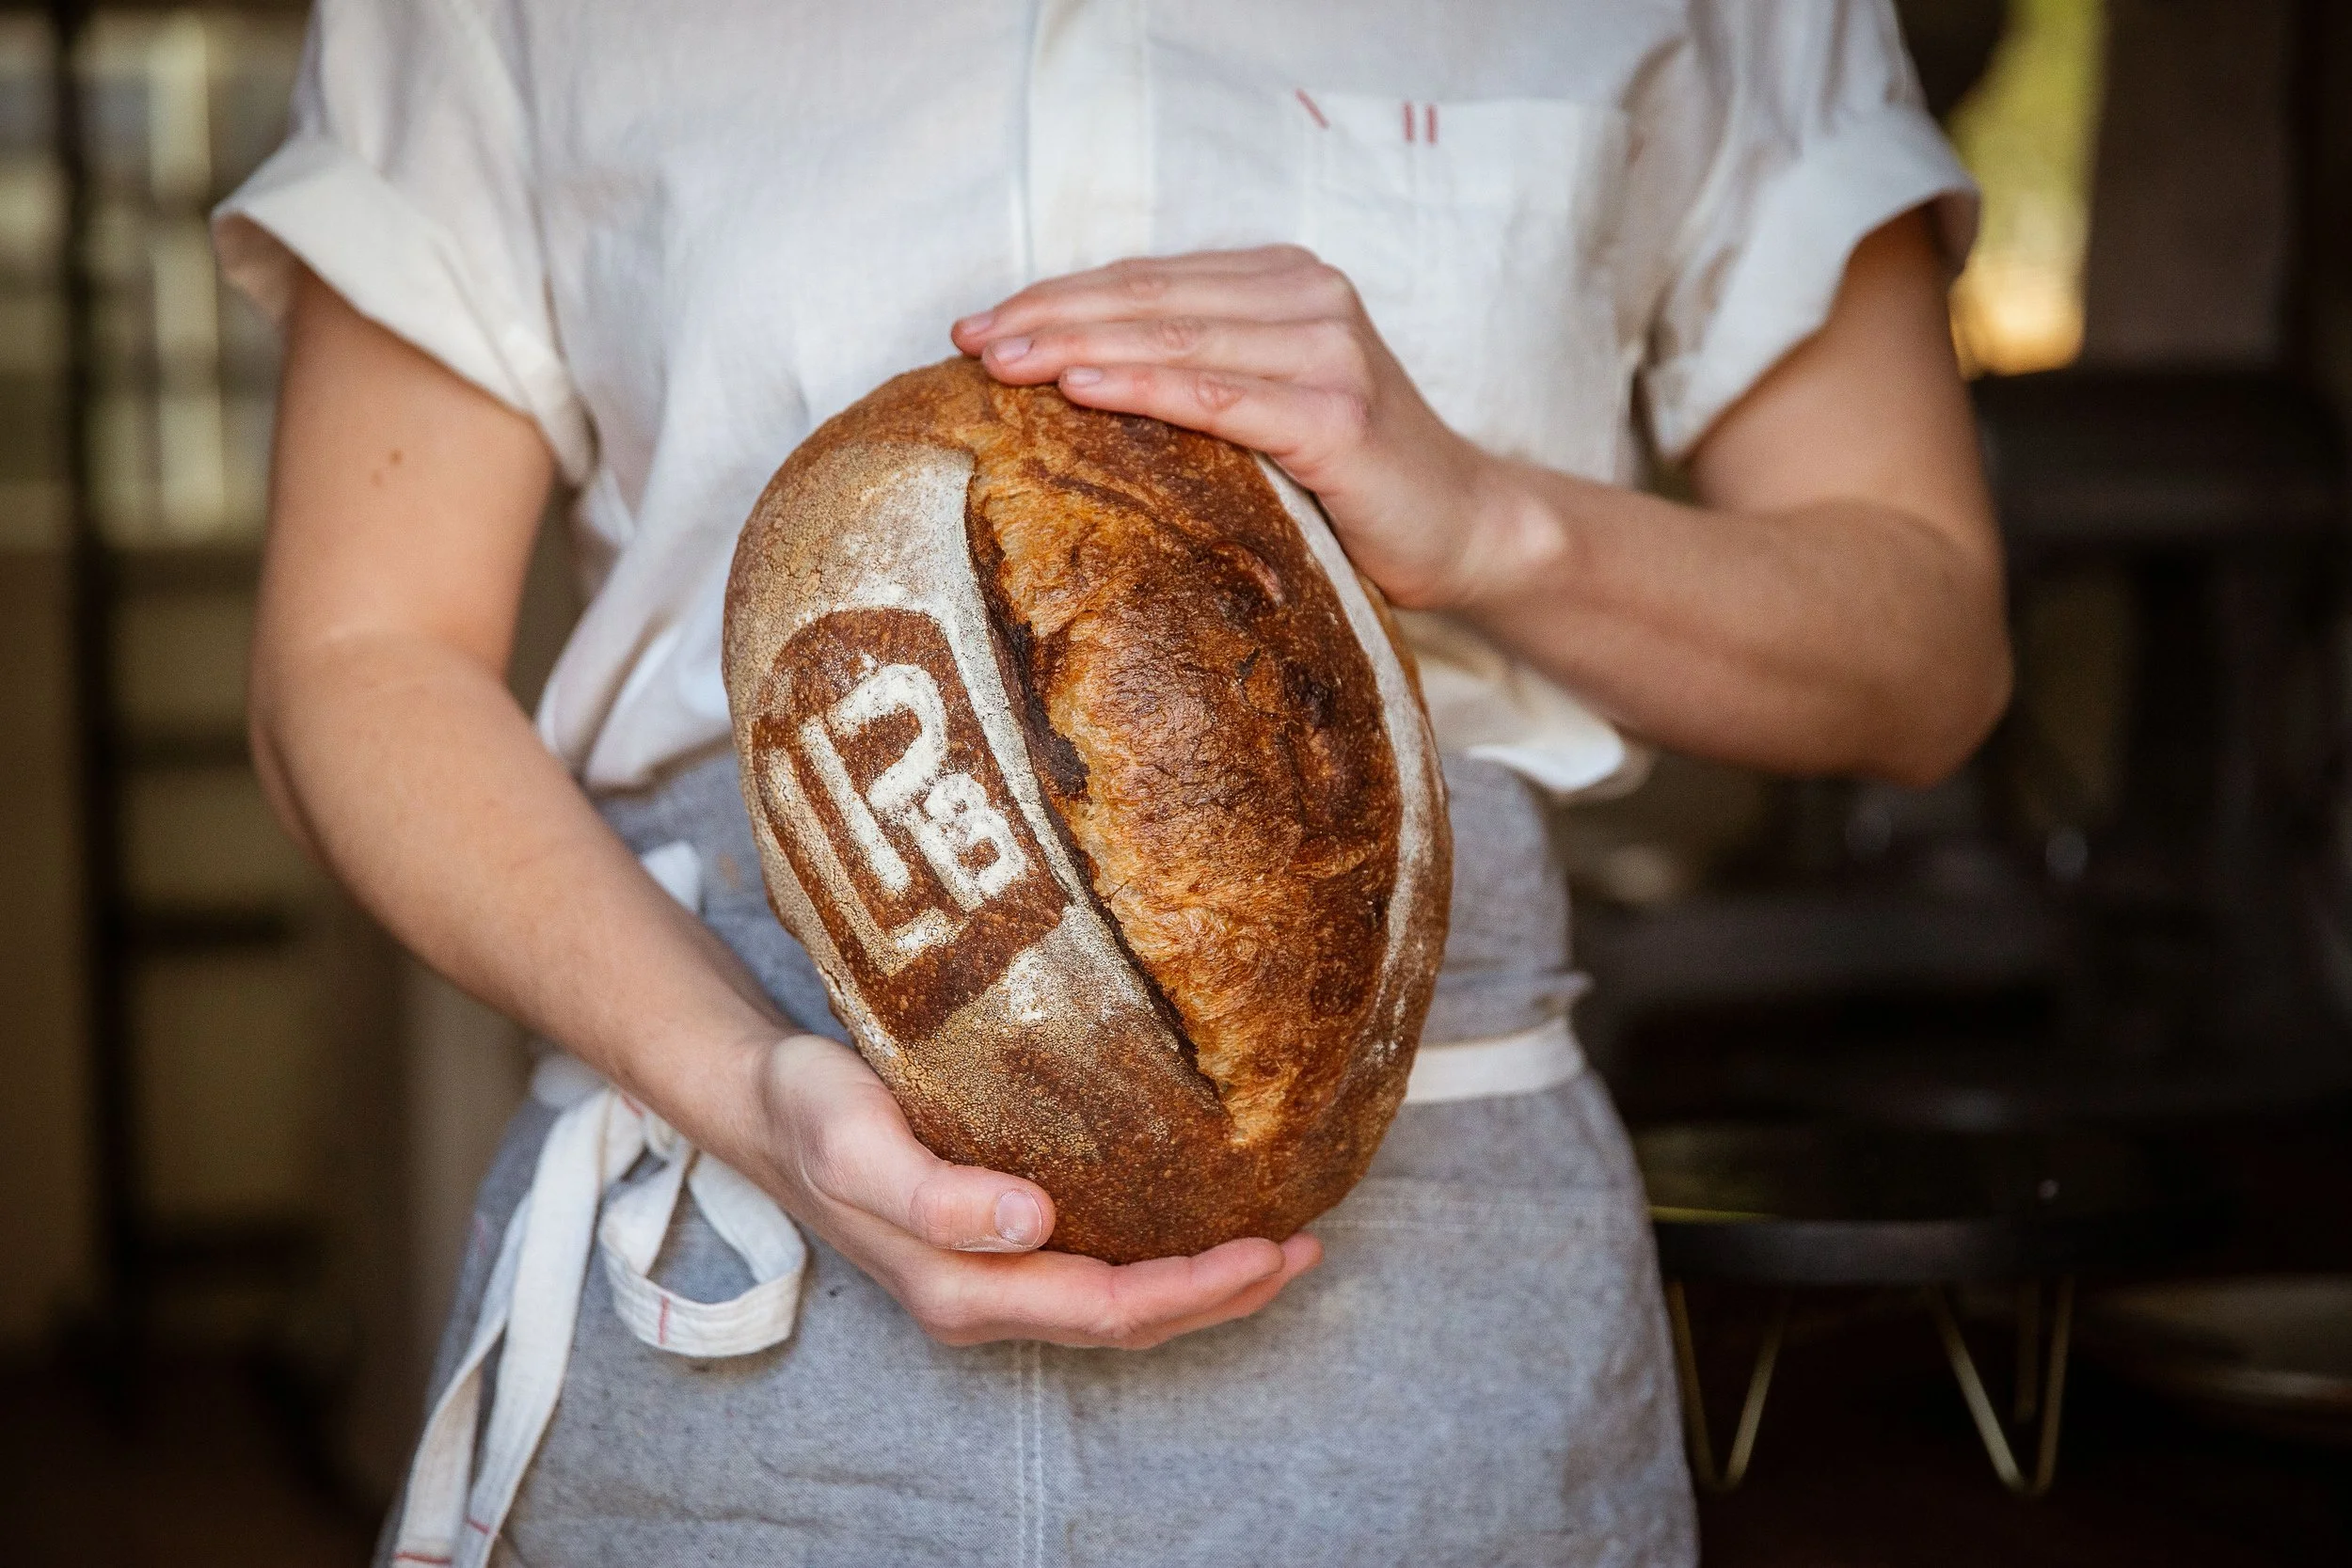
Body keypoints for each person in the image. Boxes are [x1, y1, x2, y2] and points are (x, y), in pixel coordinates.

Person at [215, 1, 2008, 1562]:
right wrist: (745, 1080)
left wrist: (1495, 522)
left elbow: (1930, 652)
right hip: (728, 1223)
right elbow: (356, 665)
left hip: (1430, 1298)